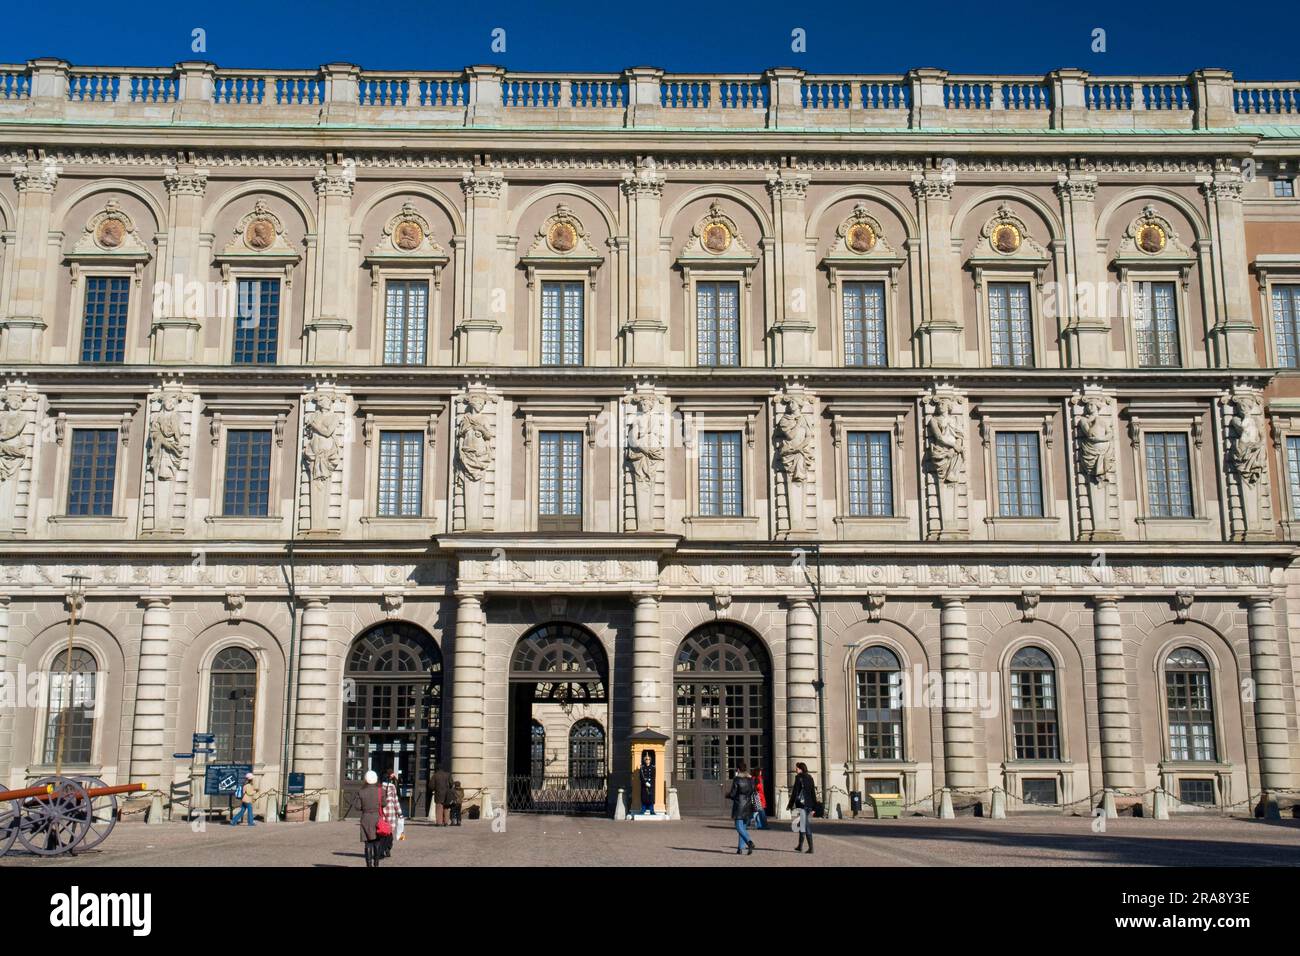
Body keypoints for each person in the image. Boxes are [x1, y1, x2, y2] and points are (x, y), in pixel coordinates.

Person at [727, 760, 757, 856]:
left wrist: (727, 795)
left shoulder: (737, 779)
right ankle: (740, 848)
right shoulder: (751, 779)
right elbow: (754, 792)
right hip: (748, 806)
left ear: (738, 769)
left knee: (738, 827)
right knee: (743, 827)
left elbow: (732, 794)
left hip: (739, 805)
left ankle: (749, 842)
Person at [788, 762, 818, 854]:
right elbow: (813, 792)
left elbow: (795, 792)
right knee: (802, 824)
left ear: (801, 769)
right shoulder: (810, 777)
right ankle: (800, 846)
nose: (795, 769)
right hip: (809, 804)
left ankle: (811, 848)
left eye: (797, 768)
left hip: (802, 805)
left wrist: (790, 804)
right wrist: (814, 807)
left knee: (806, 826)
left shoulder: (798, 778)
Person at [358, 770, 384, 867]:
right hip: (377, 818)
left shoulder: (361, 791)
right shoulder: (381, 791)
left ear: (366, 779)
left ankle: (369, 865)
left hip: (365, 818)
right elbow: (384, 804)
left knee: (368, 843)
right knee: (377, 842)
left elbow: (357, 806)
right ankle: (376, 864)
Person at [379, 770, 403, 859]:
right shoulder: (392, 787)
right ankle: (388, 848)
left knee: (381, 832)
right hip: (391, 812)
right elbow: (396, 801)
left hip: (381, 812)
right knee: (389, 833)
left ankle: (381, 850)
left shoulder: (379, 787)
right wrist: (400, 813)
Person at [638, 750, 656, 815]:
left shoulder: (653, 767)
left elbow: (653, 776)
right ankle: (643, 810)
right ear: (644, 760)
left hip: (650, 785)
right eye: (646, 759)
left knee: (651, 798)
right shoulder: (642, 768)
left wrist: (650, 783)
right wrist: (645, 782)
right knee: (644, 798)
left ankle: (652, 810)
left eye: (648, 759)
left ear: (650, 760)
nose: (647, 760)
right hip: (644, 785)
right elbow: (641, 777)